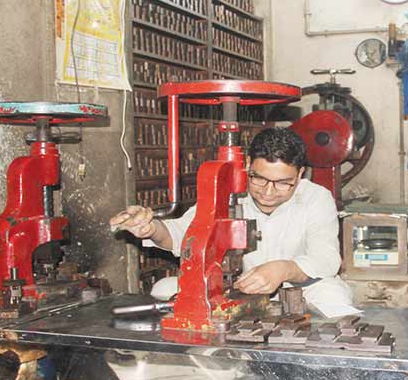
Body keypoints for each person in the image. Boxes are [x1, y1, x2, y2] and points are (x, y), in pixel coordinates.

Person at [110, 127, 352, 309]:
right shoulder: (229, 194)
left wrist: (284, 269)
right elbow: (183, 233)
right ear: (247, 165)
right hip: (237, 288)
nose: (268, 192)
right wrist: (150, 228)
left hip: (301, 288)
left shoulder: (315, 198)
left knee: (335, 299)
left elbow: (326, 259)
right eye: (259, 178)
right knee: (164, 289)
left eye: (282, 183)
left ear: (300, 174)